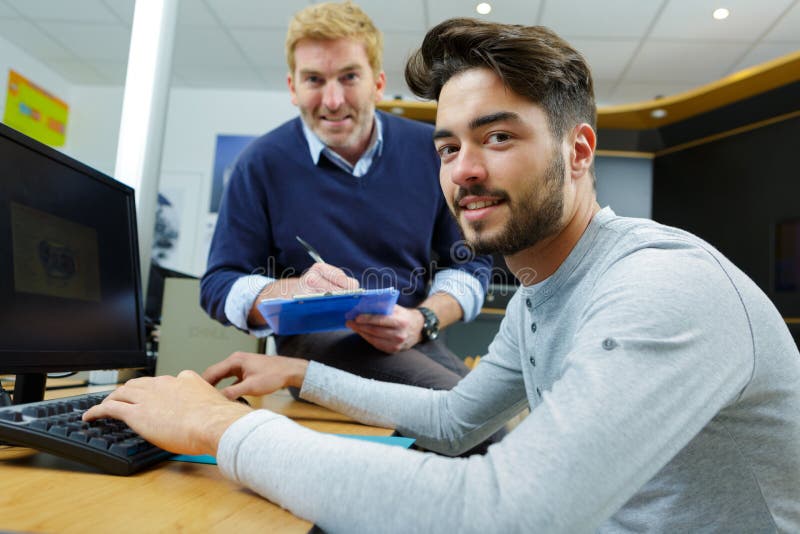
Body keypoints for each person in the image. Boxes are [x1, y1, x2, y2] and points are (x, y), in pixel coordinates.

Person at [86, 18, 800, 533]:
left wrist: (219, 431)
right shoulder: (540, 296)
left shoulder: (660, 289)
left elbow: (509, 510)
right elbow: (456, 422)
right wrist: (300, 374)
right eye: (449, 146)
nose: (463, 171)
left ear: (579, 150)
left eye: (498, 137)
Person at [199, 1, 492, 393]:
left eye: (349, 77)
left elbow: (471, 265)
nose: (333, 100)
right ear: (293, 88)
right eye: (314, 80)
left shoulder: (432, 152)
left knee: (484, 413)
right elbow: (219, 283)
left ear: (378, 83)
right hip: (311, 345)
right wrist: (294, 291)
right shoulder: (260, 164)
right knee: (462, 415)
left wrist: (423, 320)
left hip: (410, 334)